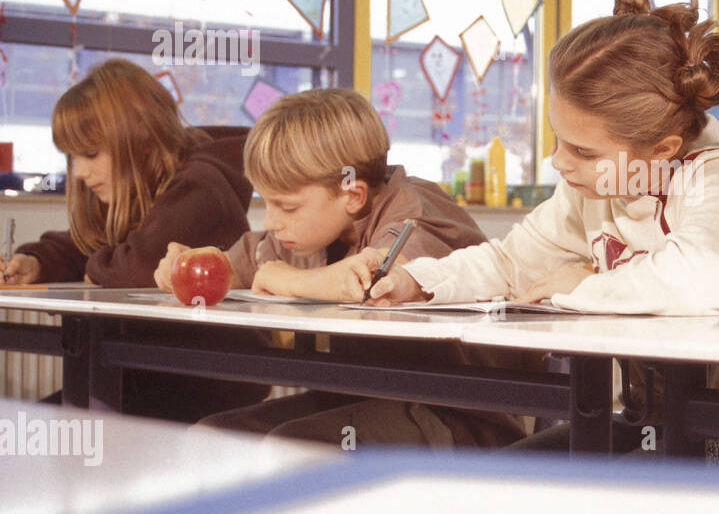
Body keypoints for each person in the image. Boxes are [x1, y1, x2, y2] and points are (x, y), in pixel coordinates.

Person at [368, 0, 719, 466]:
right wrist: (418, 282)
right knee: (504, 484)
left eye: (583, 151)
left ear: (662, 149)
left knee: (590, 511)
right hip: (646, 421)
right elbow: (511, 263)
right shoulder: (594, 186)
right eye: (557, 140)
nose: (558, 162)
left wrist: (582, 284)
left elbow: (698, 284)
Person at [166, 87, 522, 449]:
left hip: (461, 414)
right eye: (266, 202)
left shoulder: (416, 212)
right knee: (212, 438)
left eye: (286, 207)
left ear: (352, 196)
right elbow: (240, 263)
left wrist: (287, 280)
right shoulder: (308, 231)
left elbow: (374, 283)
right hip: (361, 396)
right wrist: (185, 264)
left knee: (294, 448)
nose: (271, 221)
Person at [0, 57, 267, 421]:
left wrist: (97, 265)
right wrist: (38, 260)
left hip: (209, 377)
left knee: (37, 434)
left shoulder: (199, 185)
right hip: (142, 367)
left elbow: (137, 265)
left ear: (140, 132)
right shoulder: (145, 187)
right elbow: (93, 248)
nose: (80, 172)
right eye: (73, 157)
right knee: (29, 432)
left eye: (91, 154)